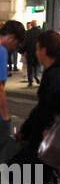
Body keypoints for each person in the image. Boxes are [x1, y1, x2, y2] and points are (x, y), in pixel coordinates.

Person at [16, 31, 60, 174]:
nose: (36, 52)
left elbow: (46, 108)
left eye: (37, 48)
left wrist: (45, 127)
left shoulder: (56, 74)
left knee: (19, 172)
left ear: (44, 50)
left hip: (51, 139)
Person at [0, 21, 27, 152]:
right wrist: (5, 117)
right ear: (11, 37)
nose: (14, 48)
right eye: (16, 44)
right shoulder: (1, 51)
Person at [23, 21, 41, 87]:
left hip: (29, 52)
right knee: (37, 65)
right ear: (36, 25)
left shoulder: (28, 33)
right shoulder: (40, 32)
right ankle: (36, 75)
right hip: (37, 52)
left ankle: (30, 81)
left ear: (31, 25)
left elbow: (25, 43)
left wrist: (23, 51)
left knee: (29, 67)